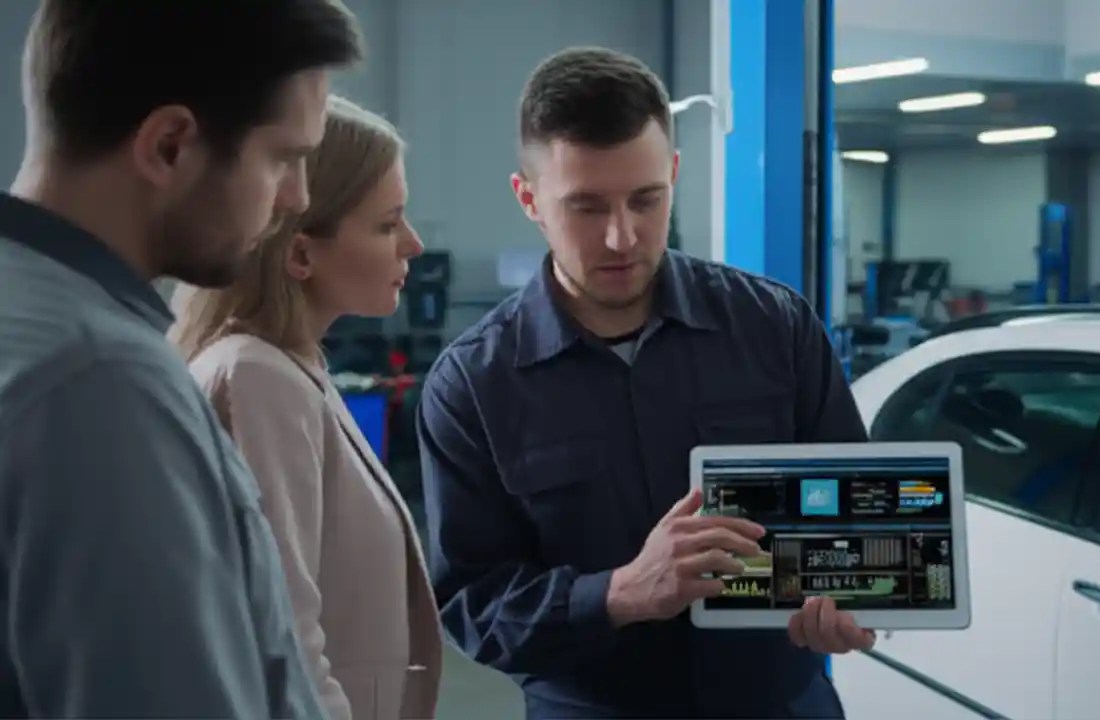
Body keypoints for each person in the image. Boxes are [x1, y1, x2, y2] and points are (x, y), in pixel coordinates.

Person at [418, 46, 875, 720]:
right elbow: (473, 608)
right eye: (586, 207)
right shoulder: (473, 387)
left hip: (780, 703)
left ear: (675, 174)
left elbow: (856, 512)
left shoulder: (775, 329)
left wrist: (849, 598)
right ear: (529, 199)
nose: (621, 237)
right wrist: (618, 593)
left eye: (646, 199)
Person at [0, 1, 361, 717]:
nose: (299, 198)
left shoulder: (31, 317)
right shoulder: (100, 385)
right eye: (283, 158)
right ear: (169, 145)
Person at [170, 94, 443, 720]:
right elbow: (286, 637)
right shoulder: (258, 379)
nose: (414, 244)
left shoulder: (293, 370)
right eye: (387, 223)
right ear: (300, 253)